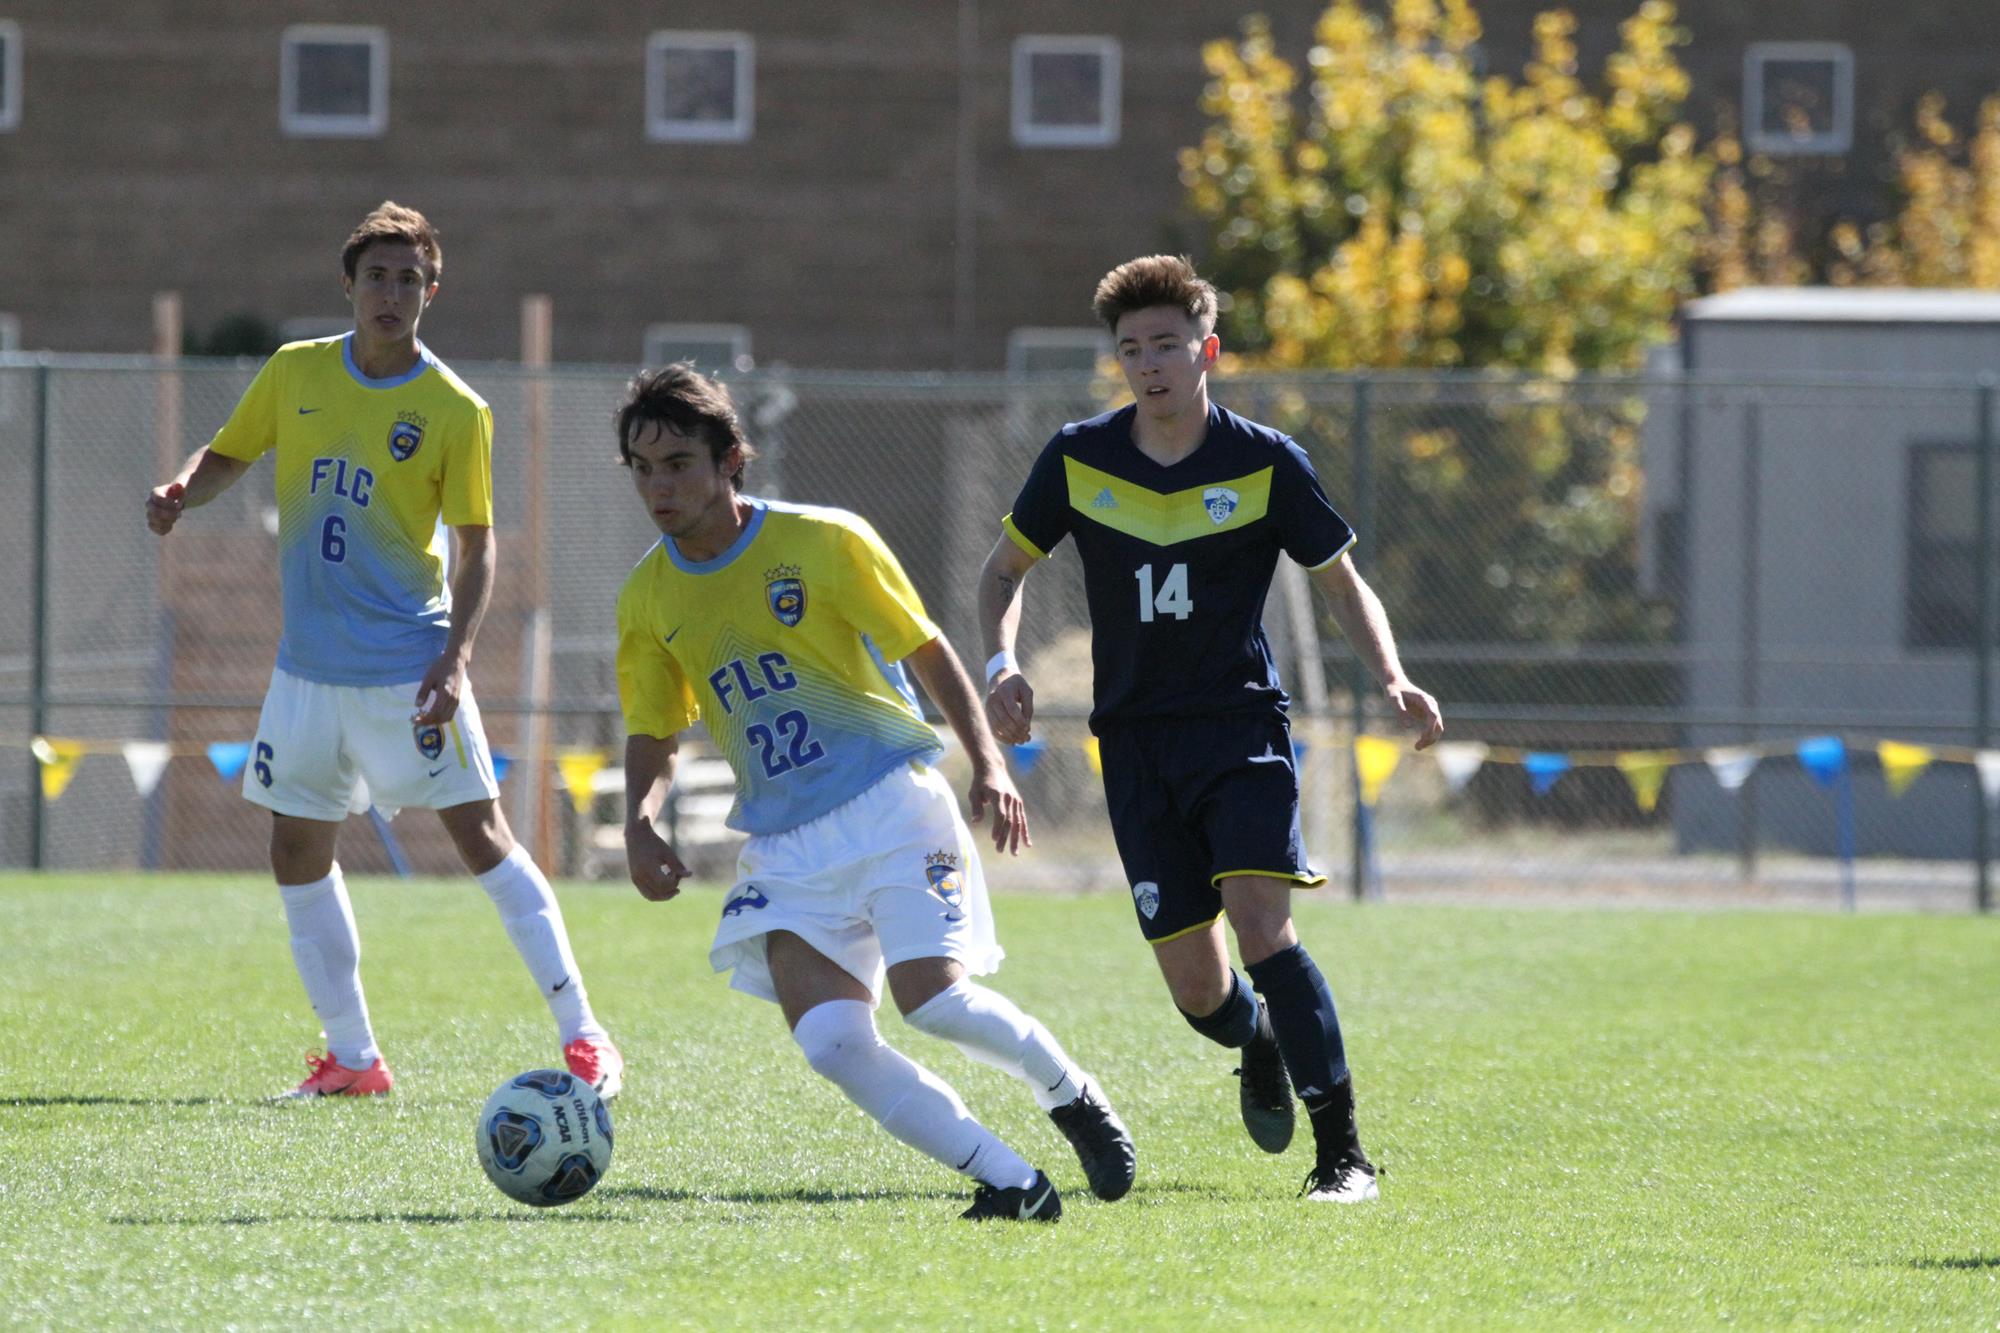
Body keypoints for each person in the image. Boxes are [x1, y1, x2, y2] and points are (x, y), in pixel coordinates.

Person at [613, 364, 1134, 1223]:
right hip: (784, 846)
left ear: (730, 457)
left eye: (677, 462)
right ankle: (1010, 1180)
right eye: (642, 466)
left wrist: (991, 765)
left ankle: (1069, 1091)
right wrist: (637, 821)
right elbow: (652, 727)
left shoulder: (824, 541)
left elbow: (926, 649)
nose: (658, 484)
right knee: (830, 1040)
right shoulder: (647, 595)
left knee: (936, 1003)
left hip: (890, 804)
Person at [976, 255, 1444, 1204]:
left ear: (1207, 351)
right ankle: (1258, 1038)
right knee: (1200, 990)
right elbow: (1000, 575)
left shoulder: (1266, 461)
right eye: (1131, 349)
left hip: (1241, 730)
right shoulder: (1077, 457)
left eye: (1167, 345)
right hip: (1137, 746)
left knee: (1265, 929)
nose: (1149, 364)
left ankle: (1343, 1156)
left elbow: (1341, 583)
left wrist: (1392, 676)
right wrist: (1002, 663)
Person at [145, 202, 622, 1101]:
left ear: (430, 292)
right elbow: (230, 454)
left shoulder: (454, 408)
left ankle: (583, 1031)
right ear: (349, 286)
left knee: (483, 838)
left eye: (410, 279)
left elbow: (479, 545)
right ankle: (355, 1058)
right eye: (377, 276)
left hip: (407, 666)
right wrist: (181, 488)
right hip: (306, 672)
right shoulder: (295, 373)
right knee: (294, 850)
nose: (392, 293)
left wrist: (455, 656)